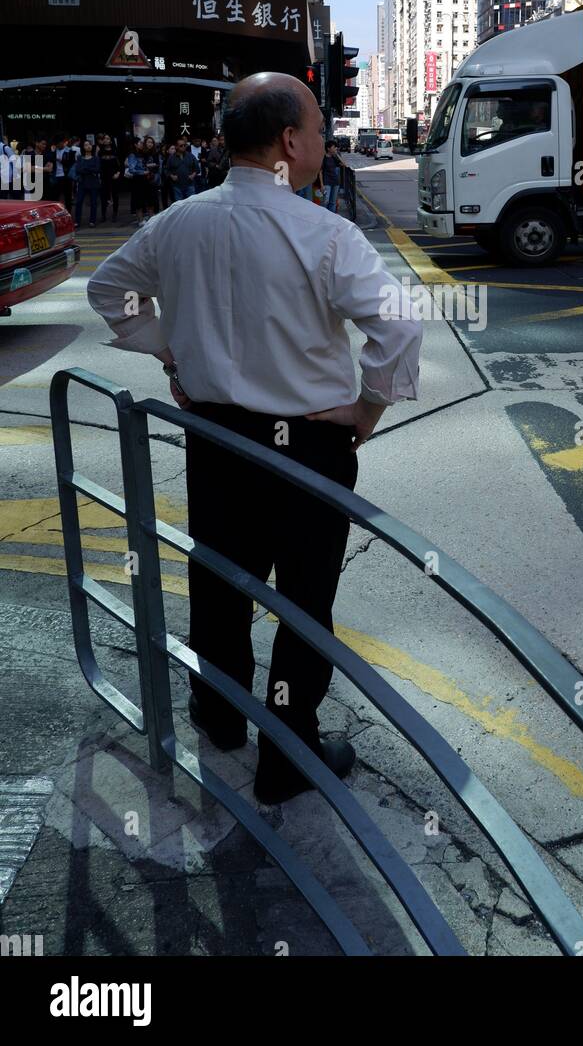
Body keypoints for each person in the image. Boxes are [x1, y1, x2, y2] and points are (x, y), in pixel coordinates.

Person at [86, 72, 423, 805]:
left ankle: (221, 716)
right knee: (303, 603)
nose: (328, 142)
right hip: (308, 446)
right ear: (290, 141)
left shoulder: (178, 222)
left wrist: (171, 351)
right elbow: (400, 325)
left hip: (216, 440)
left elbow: (110, 291)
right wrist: (367, 412)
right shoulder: (326, 234)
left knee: (219, 584)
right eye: (321, 130)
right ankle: (286, 748)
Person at [72, 140, 101, 228]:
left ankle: (92, 221)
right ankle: (77, 221)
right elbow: (78, 170)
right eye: (86, 145)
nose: (88, 146)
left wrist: (86, 169)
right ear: (83, 147)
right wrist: (90, 169)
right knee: (79, 201)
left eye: (89, 145)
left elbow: (97, 169)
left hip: (93, 182)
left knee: (93, 202)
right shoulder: (80, 158)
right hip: (82, 182)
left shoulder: (96, 158)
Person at [98, 141, 121, 223]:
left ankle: (115, 214)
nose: (106, 140)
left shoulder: (115, 151)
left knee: (115, 196)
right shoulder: (100, 151)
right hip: (104, 177)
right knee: (103, 197)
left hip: (114, 176)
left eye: (108, 138)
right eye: (105, 139)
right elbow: (99, 164)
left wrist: (118, 173)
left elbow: (119, 164)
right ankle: (103, 215)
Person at [125, 141, 147, 224]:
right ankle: (140, 220)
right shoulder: (132, 155)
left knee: (142, 199)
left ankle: (141, 219)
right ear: (135, 144)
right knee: (138, 200)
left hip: (143, 180)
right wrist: (142, 172)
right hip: (137, 180)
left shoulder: (141, 154)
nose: (142, 144)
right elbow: (131, 169)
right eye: (140, 143)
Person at [141, 136, 161, 219]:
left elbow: (157, 165)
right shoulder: (142, 153)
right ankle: (147, 213)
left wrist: (148, 165)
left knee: (153, 196)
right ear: (145, 143)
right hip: (143, 177)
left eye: (152, 142)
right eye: (148, 142)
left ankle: (153, 214)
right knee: (145, 196)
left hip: (153, 178)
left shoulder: (155, 153)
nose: (150, 144)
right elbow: (141, 165)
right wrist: (150, 165)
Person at [321, 141, 342, 214]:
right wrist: (322, 185)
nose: (335, 148)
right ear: (328, 148)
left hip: (335, 182)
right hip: (327, 183)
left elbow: (344, 164)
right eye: (334, 147)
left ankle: (331, 220)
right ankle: (324, 219)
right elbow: (319, 172)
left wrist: (336, 154)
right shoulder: (323, 158)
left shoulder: (334, 158)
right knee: (325, 202)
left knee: (333, 203)